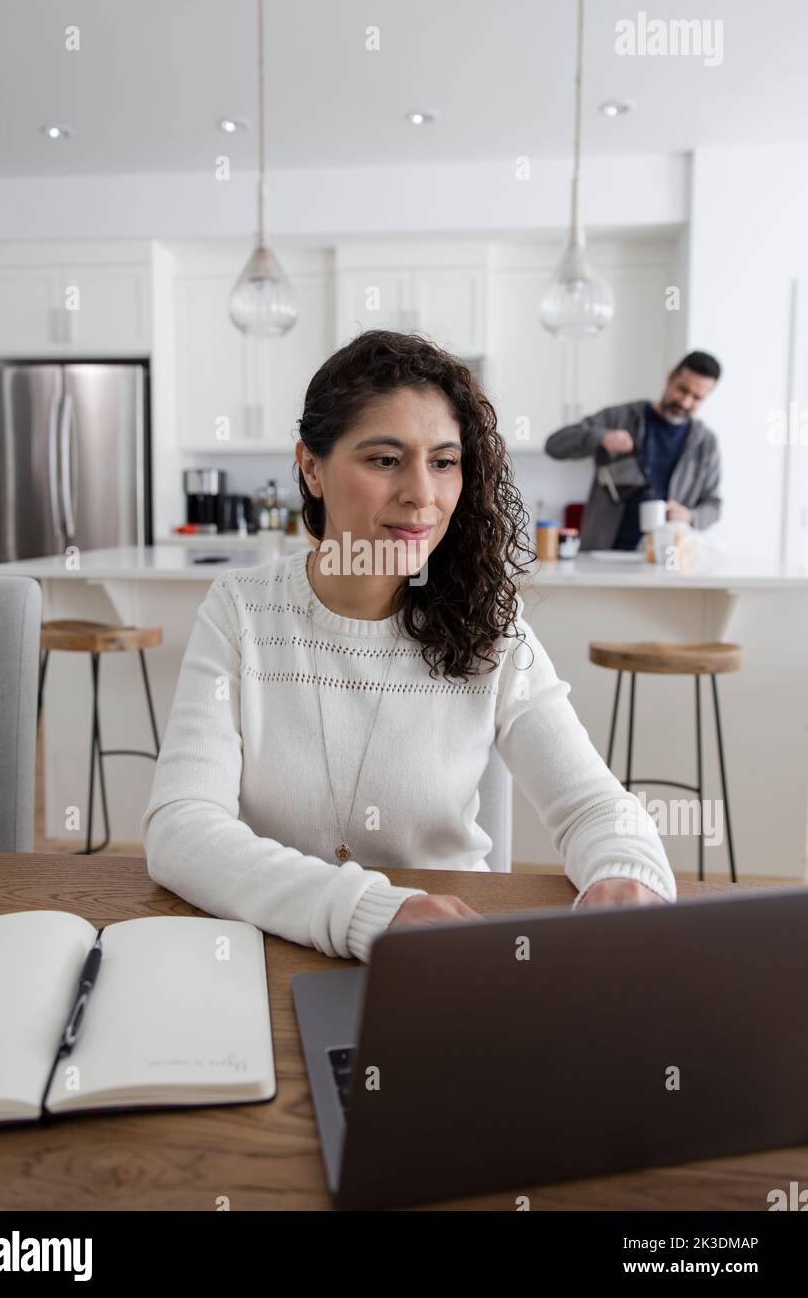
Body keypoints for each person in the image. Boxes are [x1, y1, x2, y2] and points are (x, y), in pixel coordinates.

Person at [141, 330, 676, 964]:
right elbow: (181, 830)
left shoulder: (491, 627)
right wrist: (370, 911)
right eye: (385, 459)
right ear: (311, 467)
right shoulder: (241, 611)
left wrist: (628, 875)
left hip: (448, 964)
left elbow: (594, 805)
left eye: (444, 462)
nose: (422, 494)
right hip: (265, 955)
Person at [544, 352, 722, 551]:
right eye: (682, 390)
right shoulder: (620, 417)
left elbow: (713, 505)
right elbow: (554, 445)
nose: (686, 402)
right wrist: (601, 437)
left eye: (697, 398)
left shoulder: (705, 443)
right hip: (603, 553)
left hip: (667, 558)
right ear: (671, 376)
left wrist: (690, 516)